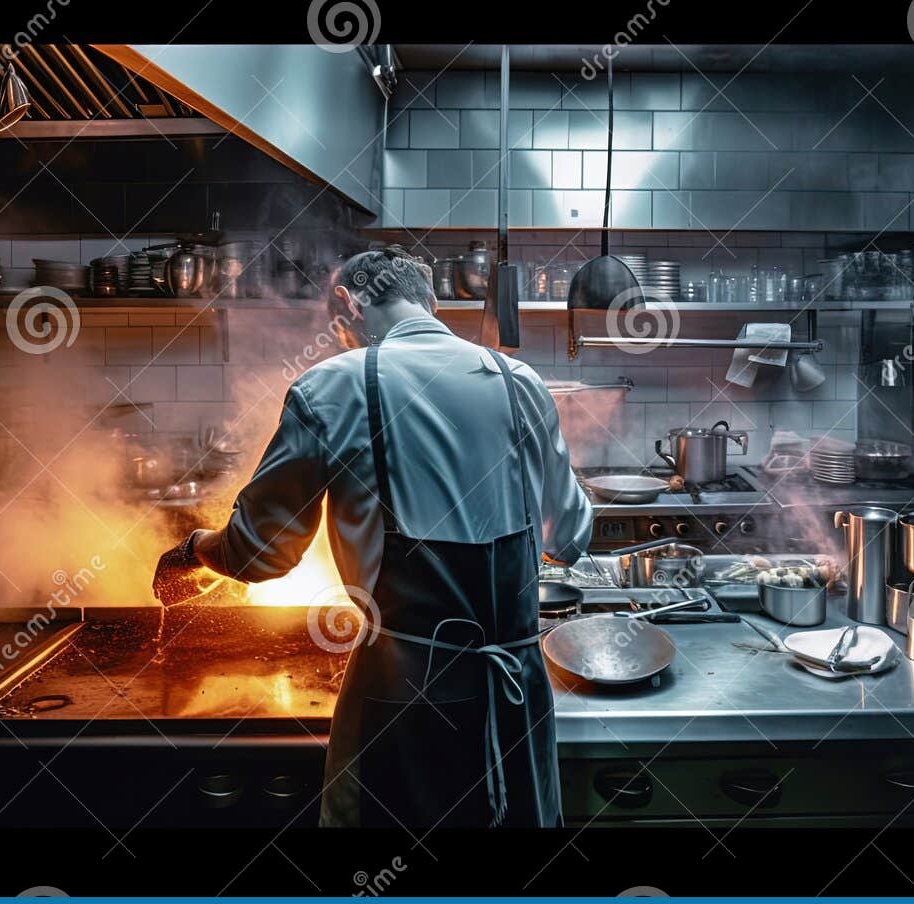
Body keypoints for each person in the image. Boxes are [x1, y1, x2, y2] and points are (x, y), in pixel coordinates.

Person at [152, 245, 592, 827]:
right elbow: (572, 535)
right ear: (430, 301)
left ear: (350, 303)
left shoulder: (331, 387)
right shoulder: (520, 382)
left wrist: (194, 551)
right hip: (514, 692)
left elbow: (261, 553)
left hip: (403, 699)